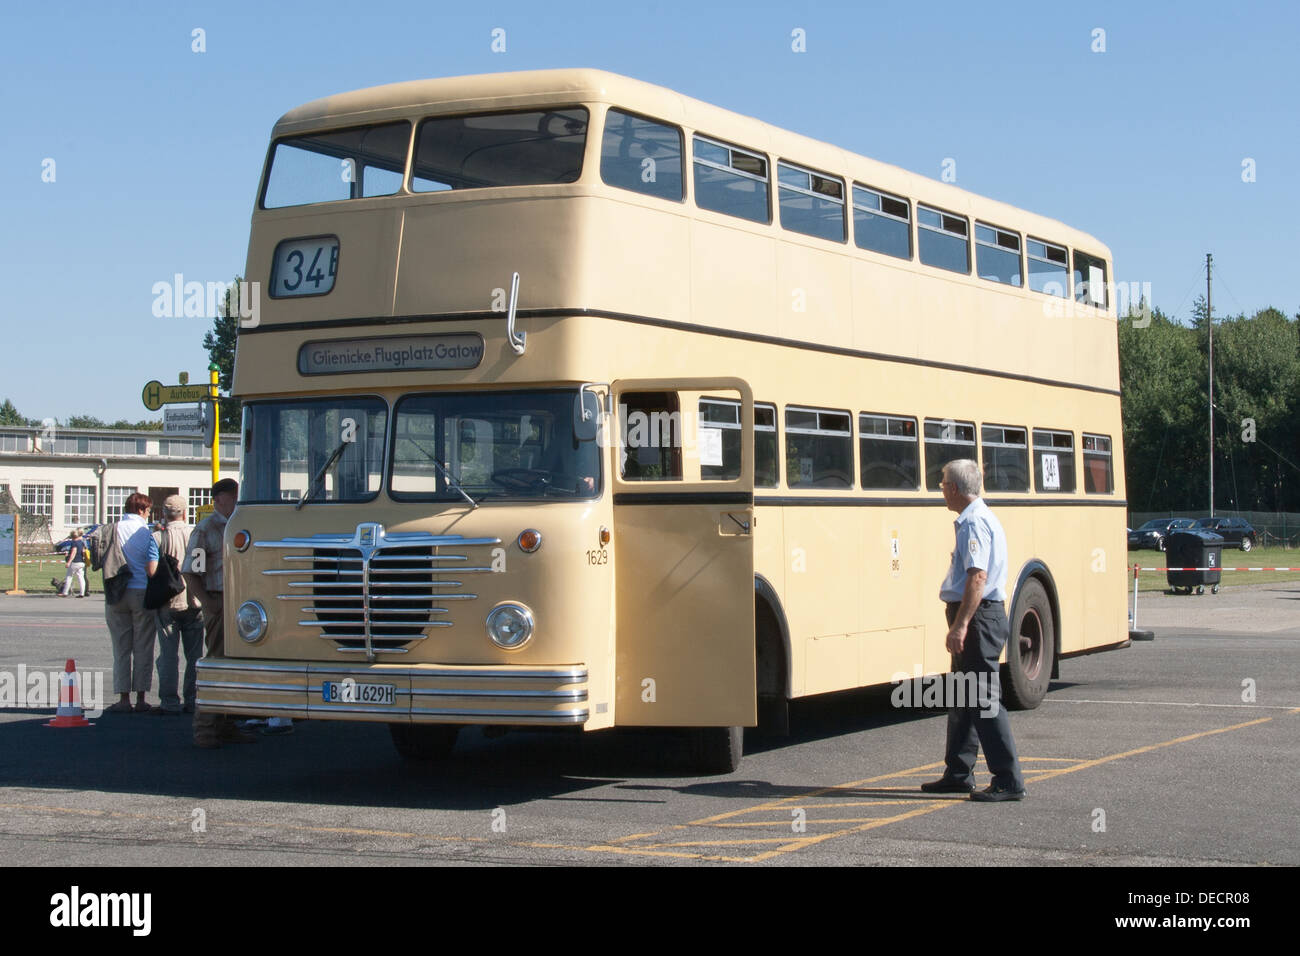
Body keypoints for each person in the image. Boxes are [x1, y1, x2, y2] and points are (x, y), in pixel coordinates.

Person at [920, 459, 1026, 802]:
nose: (941, 490)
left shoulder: (973, 523)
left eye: (942, 483)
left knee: (982, 700)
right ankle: (958, 772)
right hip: (980, 616)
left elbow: (977, 577)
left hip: (979, 618)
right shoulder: (977, 518)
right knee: (964, 698)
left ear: (954, 488)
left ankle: (1008, 780)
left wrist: (962, 624)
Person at [184, 478, 258, 747]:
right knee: (216, 664)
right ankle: (204, 729)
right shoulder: (207, 530)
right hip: (219, 600)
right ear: (220, 500)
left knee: (232, 665)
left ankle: (226, 724)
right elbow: (192, 571)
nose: (238, 502)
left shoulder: (238, 525)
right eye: (233, 498)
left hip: (241, 603)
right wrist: (207, 602)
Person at [103, 493, 160, 713]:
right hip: (140, 591)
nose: (148, 515)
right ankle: (141, 698)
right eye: (147, 511)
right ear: (141, 510)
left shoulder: (111, 529)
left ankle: (123, 698)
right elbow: (152, 568)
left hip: (115, 593)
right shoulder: (146, 534)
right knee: (143, 646)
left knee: (121, 647)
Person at [152, 495, 204, 715]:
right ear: (185, 513)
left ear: (164, 513)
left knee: (168, 655)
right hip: (194, 601)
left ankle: (169, 701)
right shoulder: (196, 535)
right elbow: (202, 569)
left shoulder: (156, 537)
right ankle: (192, 699)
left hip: (167, 602)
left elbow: (152, 570)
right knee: (195, 655)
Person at [59, 530, 88, 598]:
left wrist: (69, 562)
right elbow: (83, 551)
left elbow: (73, 553)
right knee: (81, 578)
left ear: (72, 536)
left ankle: (65, 592)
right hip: (81, 562)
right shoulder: (81, 542)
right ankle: (82, 593)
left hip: (75, 562)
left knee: (69, 577)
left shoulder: (74, 543)